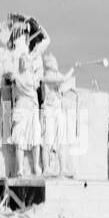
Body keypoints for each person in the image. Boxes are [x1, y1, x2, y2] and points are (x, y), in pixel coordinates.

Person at [9, 52, 42, 177]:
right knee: (20, 140)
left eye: (27, 61)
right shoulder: (23, 78)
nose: (26, 64)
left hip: (29, 109)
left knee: (34, 139)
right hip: (23, 108)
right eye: (24, 61)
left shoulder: (23, 78)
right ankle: (22, 169)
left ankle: (34, 167)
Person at [40, 49, 67, 177]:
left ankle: (62, 169)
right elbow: (63, 79)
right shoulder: (47, 77)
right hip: (49, 111)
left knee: (61, 141)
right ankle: (46, 168)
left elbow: (62, 82)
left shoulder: (54, 76)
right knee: (48, 140)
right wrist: (74, 68)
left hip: (57, 110)